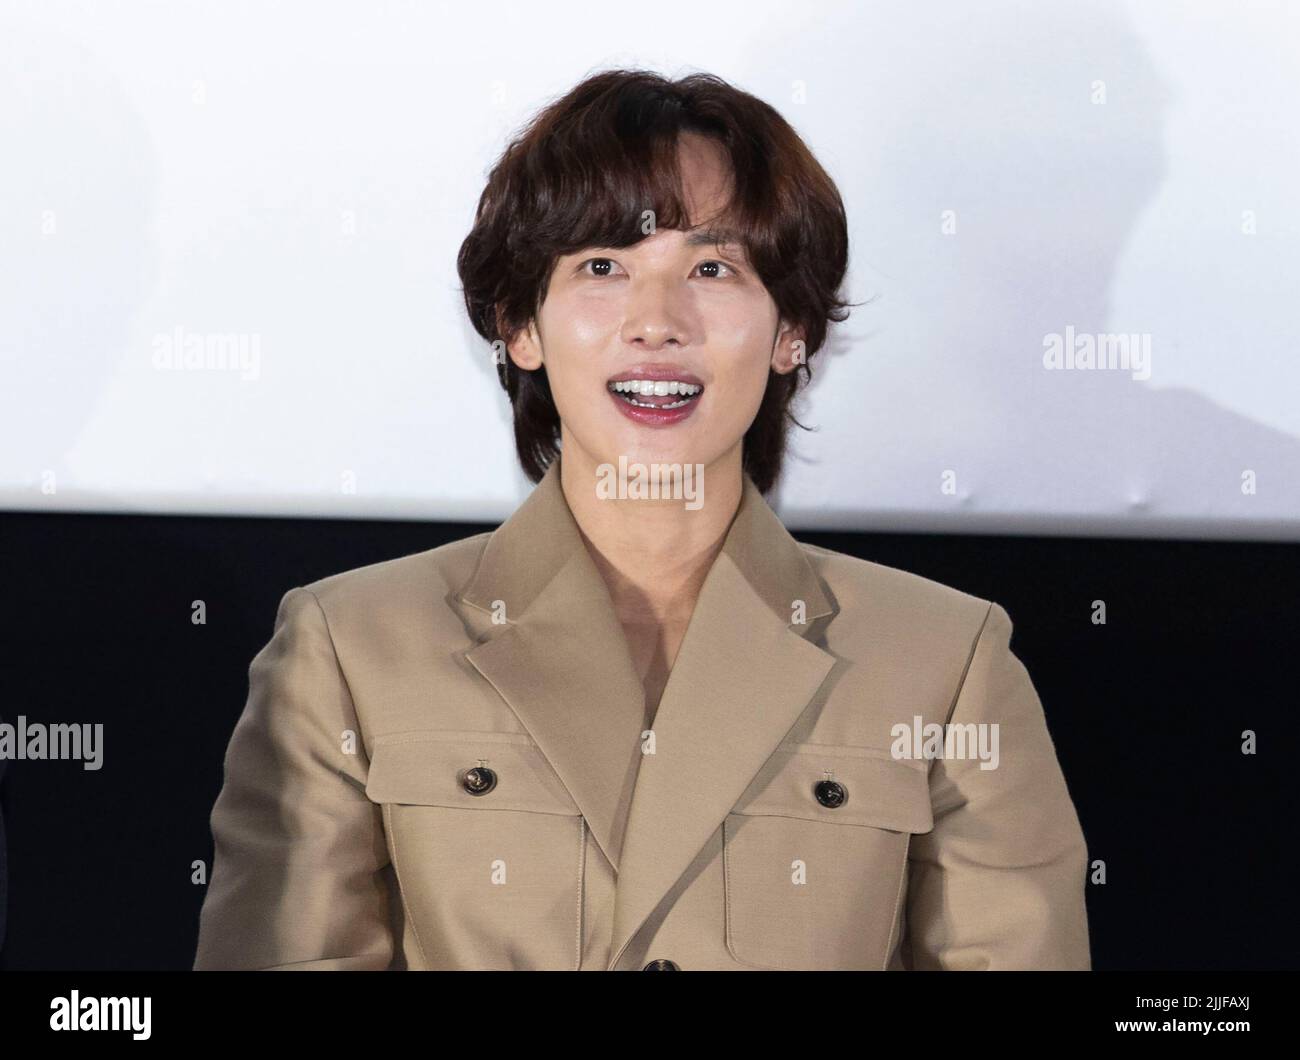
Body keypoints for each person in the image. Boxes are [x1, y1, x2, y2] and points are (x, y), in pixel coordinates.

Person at [193, 68, 1090, 971]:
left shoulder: (944, 660)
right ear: (520, 326)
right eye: (603, 267)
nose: (656, 322)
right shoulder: (351, 647)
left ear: (792, 333)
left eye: (711, 268)